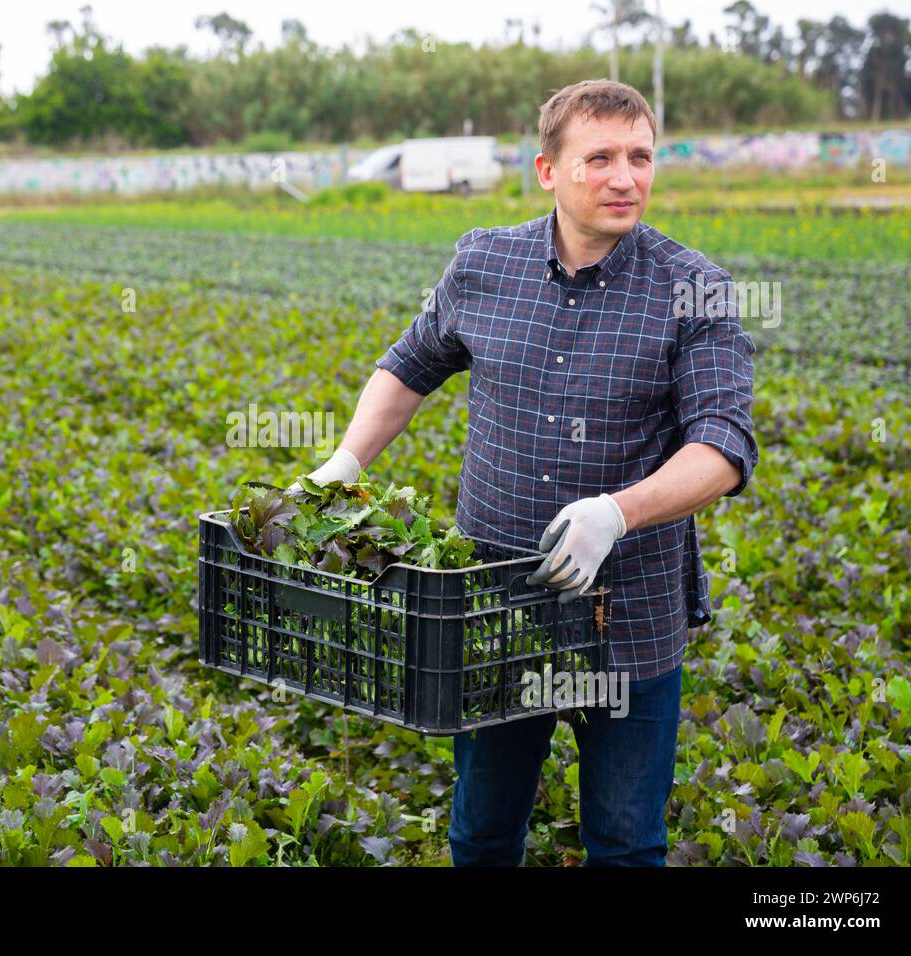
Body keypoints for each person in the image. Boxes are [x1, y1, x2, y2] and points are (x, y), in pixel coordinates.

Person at [293, 79, 757, 866]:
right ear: (547, 169)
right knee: (482, 830)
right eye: (599, 158)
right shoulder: (484, 260)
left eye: (640, 158)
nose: (624, 178)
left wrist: (617, 513)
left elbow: (723, 445)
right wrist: (346, 462)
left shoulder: (695, 288)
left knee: (624, 842)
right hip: (494, 609)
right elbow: (411, 365)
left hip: (629, 620)